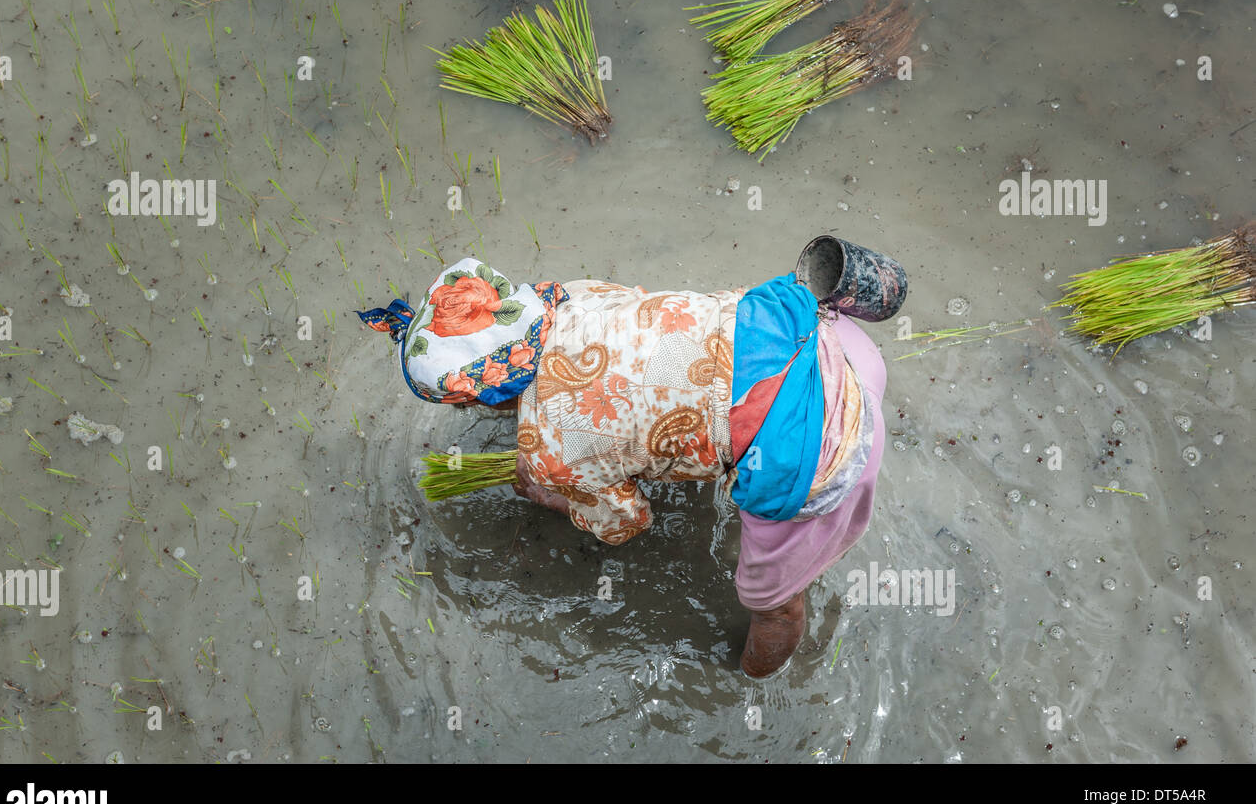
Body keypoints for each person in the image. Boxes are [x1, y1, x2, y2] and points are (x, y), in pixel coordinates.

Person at [360, 252, 891, 679]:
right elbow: (645, 379)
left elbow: (628, 523)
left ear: (472, 399)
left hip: (819, 441)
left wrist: (550, 491)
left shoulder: (549, 449)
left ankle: (750, 681)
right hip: (829, 338)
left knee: (771, 602)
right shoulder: (579, 294)